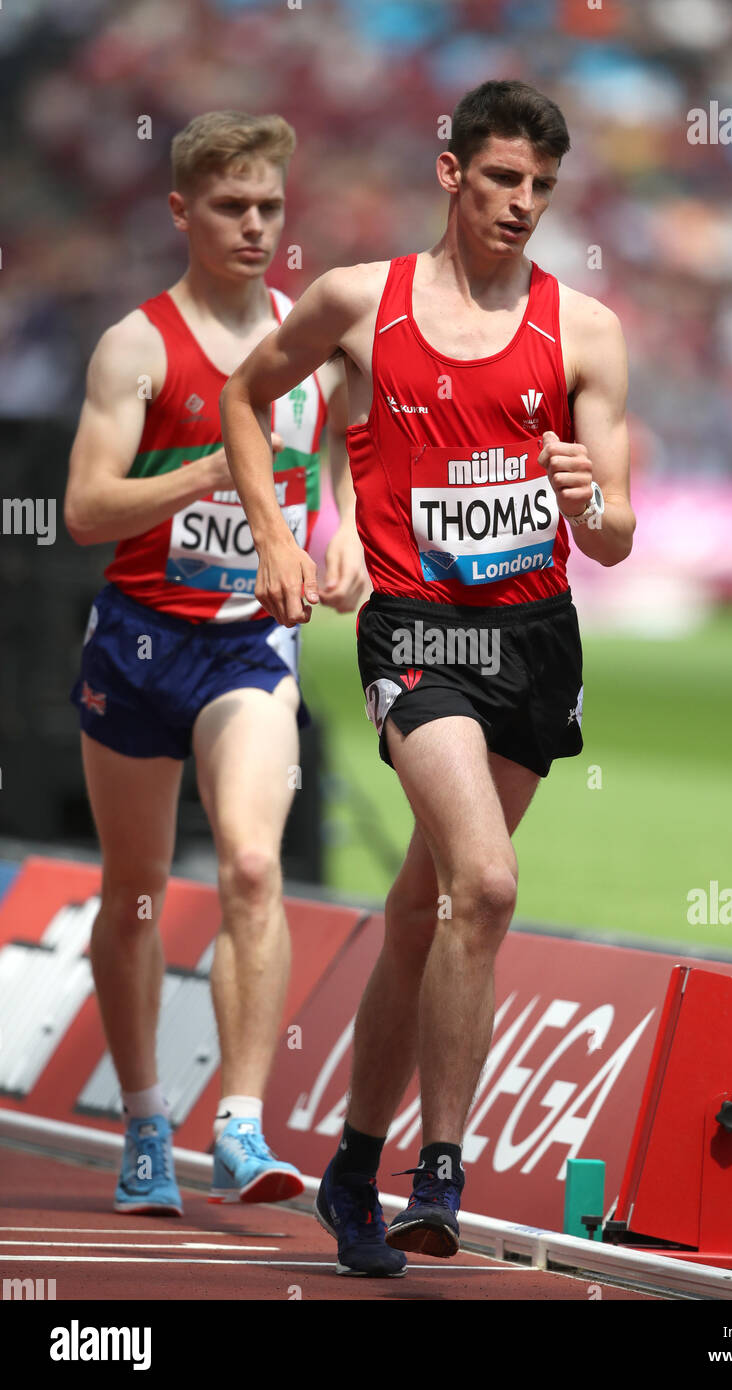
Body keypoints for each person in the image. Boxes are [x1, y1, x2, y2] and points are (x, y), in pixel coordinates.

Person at [220, 80, 635, 1273]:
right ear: (451, 173)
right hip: (417, 629)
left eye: (542, 187)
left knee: (425, 906)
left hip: (534, 639)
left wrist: (586, 500)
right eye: (503, 179)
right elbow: (251, 397)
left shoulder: (585, 329)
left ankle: (351, 1163)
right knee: (488, 887)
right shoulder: (359, 301)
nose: (522, 205)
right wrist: (277, 532)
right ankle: (435, 1168)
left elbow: (613, 532)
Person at [64, 111, 366, 1221]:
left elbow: (339, 464)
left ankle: (238, 1124)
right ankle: (146, 1120)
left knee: (249, 863)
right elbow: (86, 508)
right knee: (136, 891)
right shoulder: (137, 347)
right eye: (231, 206)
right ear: (182, 212)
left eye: (270, 207)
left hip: (248, 641)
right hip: (142, 642)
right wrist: (205, 477)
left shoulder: (309, 339)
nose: (254, 224)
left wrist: (343, 543)